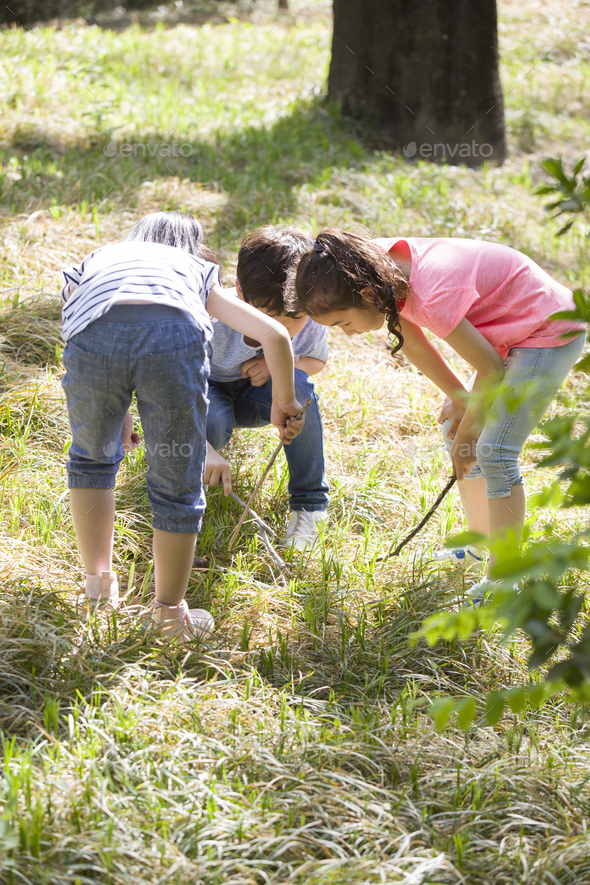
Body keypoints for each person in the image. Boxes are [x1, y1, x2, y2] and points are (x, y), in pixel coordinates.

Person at [288, 229, 586, 601]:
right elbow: (414, 343)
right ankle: (479, 544)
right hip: (510, 331)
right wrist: (460, 401)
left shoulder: (430, 294)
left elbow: (490, 367)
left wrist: (469, 433)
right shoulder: (369, 267)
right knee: (456, 427)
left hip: (547, 330)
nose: (348, 335)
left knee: (493, 449)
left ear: (365, 296)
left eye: (342, 324)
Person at [60, 211, 304, 640]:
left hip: (92, 332)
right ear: (191, 248)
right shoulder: (194, 268)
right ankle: (169, 616)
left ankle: (97, 592)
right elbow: (276, 337)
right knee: (176, 485)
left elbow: (80, 322)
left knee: (92, 461)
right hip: (172, 334)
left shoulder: (99, 258)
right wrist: (283, 401)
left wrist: (117, 412)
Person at [204, 227, 330, 552]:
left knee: (301, 389)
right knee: (213, 425)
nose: (284, 330)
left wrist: (280, 366)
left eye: (295, 317)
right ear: (240, 296)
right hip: (209, 389)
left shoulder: (310, 317)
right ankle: (191, 481)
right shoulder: (215, 320)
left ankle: (310, 506)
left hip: (261, 399)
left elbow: (316, 362)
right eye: (270, 318)